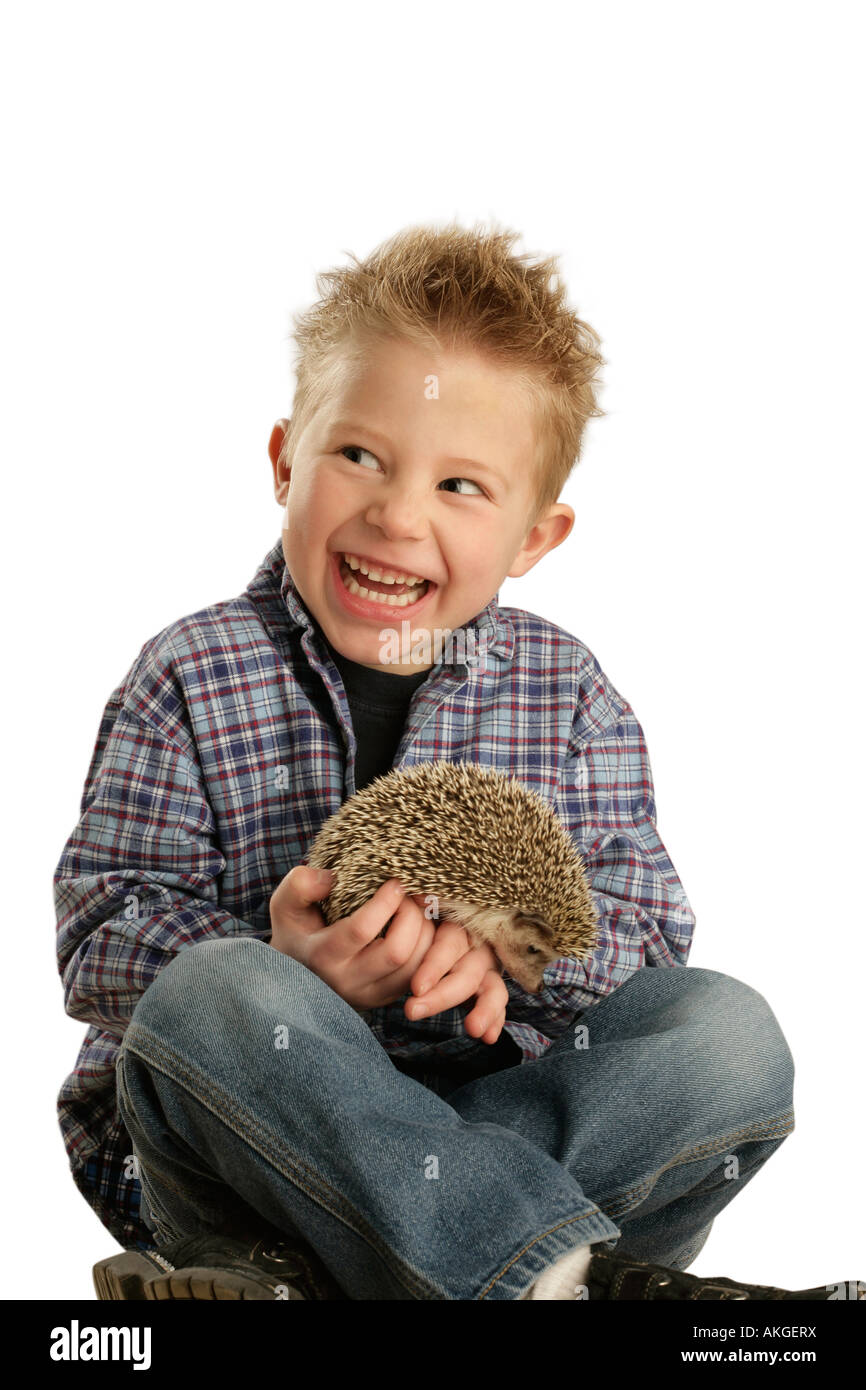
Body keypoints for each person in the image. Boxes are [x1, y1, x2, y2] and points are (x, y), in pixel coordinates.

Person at [56, 222, 863, 1301]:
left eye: (460, 487)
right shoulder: (186, 673)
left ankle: (349, 1272)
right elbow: (101, 934)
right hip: (261, 1147)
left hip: (506, 1120)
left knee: (723, 1034)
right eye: (357, 457)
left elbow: (647, 934)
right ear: (284, 459)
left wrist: (514, 956)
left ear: (537, 534)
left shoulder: (569, 694)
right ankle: (567, 1279)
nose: (395, 515)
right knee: (212, 992)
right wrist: (289, 964)